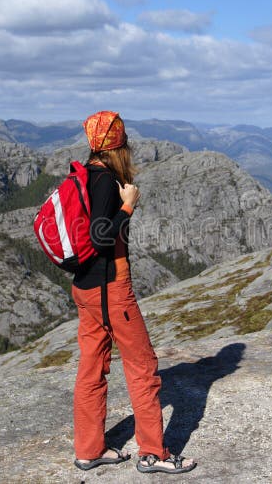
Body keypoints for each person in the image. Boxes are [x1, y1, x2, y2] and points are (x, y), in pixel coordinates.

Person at [71, 111, 197, 475]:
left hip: (84, 287)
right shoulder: (106, 182)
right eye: (125, 144)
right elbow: (100, 236)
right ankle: (154, 453)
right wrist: (128, 206)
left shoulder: (82, 175)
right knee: (143, 367)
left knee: (92, 367)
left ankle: (89, 449)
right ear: (117, 147)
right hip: (110, 290)